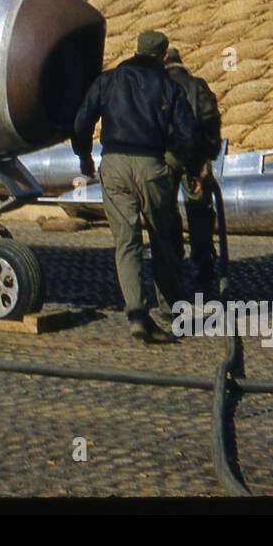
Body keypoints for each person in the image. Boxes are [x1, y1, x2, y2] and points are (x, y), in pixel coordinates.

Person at [72, 30, 201, 345]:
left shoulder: (109, 80)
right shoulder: (168, 87)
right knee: (163, 237)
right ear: (163, 55)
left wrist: (84, 155)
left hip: (113, 165)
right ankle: (171, 310)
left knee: (126, 243)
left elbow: (82, 120)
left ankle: (137, 316)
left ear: (137, 49)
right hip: (151, 168)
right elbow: (188, 134)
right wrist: (183, 166)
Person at [164, 47, 223, 293]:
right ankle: (202, 263)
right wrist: (207, 157)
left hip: (165, 156)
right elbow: (211, 121)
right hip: (195, 158)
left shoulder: (158, 86)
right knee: (199, 211)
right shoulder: (198, 86)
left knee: (165, 210)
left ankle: (173, 260)